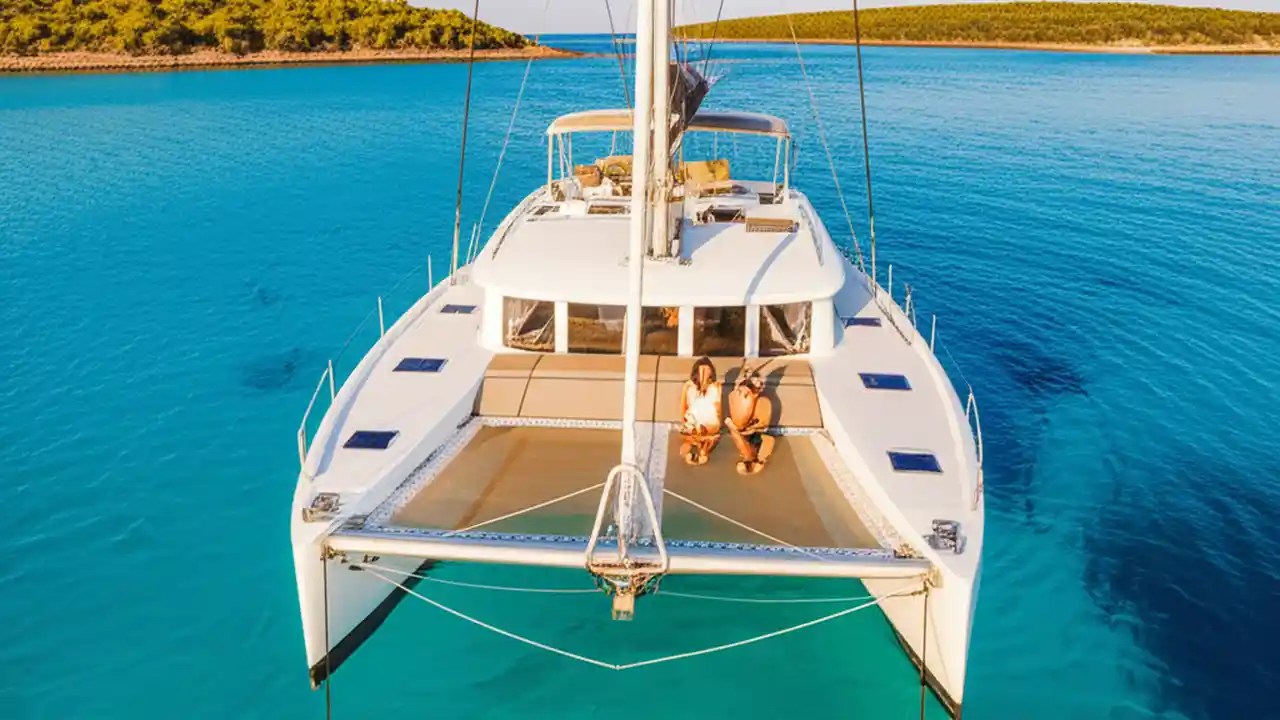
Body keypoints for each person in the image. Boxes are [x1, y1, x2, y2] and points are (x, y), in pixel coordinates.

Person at [726, 368, 775, 475]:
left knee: (749, 447)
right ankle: (748, 456)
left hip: (756, 436)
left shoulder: (763, 402)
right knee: (739, 437)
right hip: (744, 434)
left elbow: (764, 427)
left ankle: (750, 457)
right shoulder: (742, 401)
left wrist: (750, 429)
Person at [678, 356, 722, 465]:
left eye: (707, 370)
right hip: (693, 422)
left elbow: (719, 409)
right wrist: (684, 423)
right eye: (702, 370)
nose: (704, 373)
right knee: (688, 440)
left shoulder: (715, 387)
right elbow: (683, 407)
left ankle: (703, 451)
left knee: (710, 439)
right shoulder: (689, 387)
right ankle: (691, 452)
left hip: (709, 423)